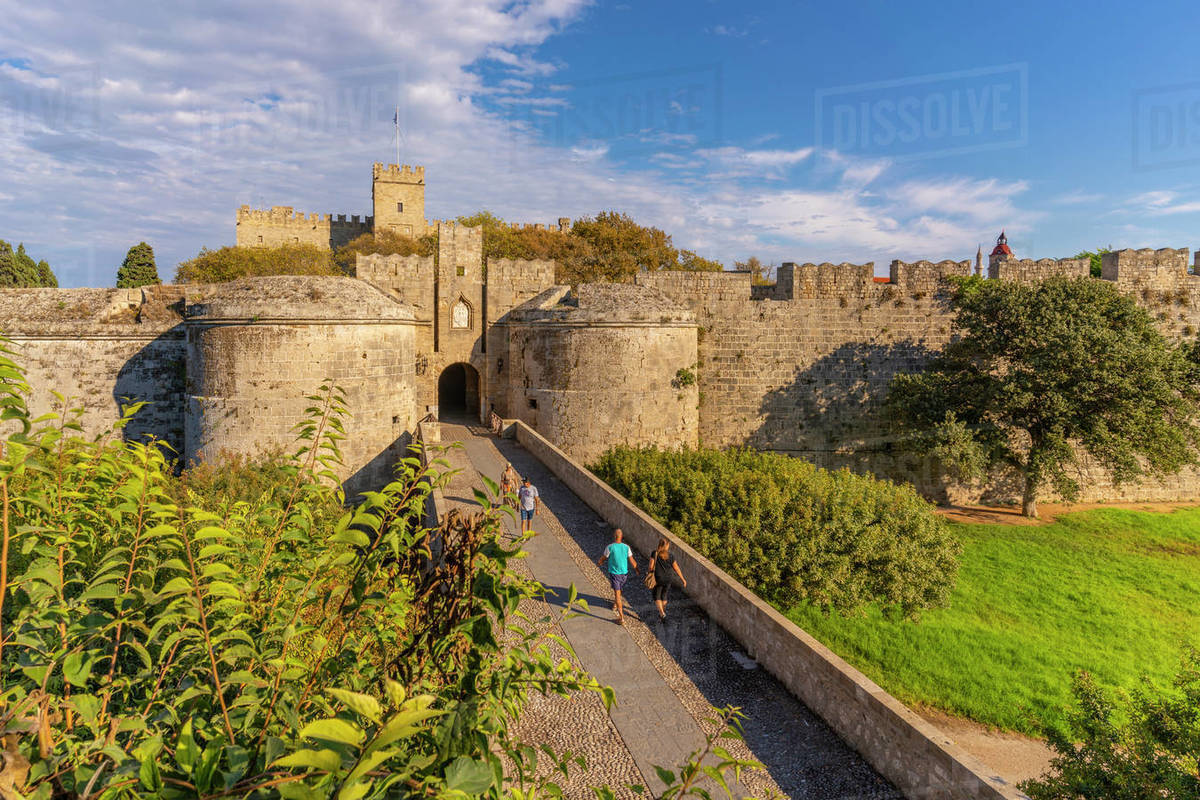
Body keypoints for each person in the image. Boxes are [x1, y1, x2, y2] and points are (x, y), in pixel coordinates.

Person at [596, 528, 639, 624]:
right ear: (621, 537)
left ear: (614, 536)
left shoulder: (610, 547)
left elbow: (604, 558)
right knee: (619, 590)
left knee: (617, 595)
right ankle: (615, 604)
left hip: (615, 574)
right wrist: (637, 570)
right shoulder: (626, 547)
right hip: (624, 574)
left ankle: (621, 617)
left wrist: (599, 562)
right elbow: (632, 560)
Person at [649, 537, 686, 620]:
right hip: (668, 578)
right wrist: (683, 579)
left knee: (657, 596)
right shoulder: (671, 556)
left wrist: (650, 573)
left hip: (658, 578)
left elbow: (650, 567)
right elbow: (676, 568)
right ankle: (663, 612)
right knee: (664, 595)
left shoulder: (654, 553)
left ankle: (662, 613)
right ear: (667, 546)